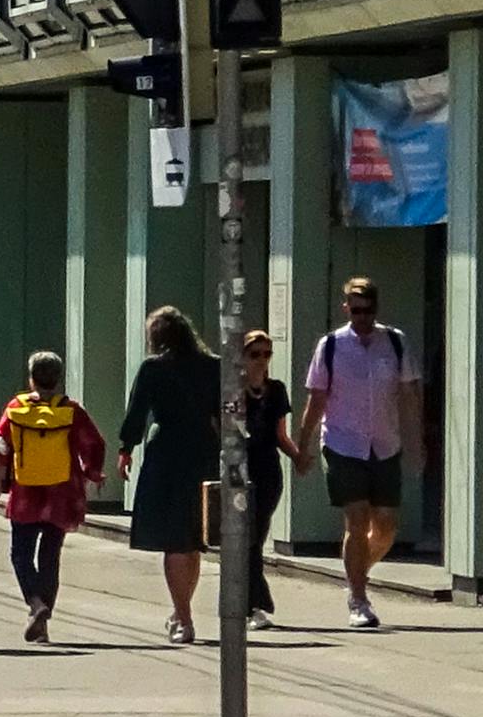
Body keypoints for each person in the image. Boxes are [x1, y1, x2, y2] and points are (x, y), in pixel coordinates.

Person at [292, 273, 421, 630]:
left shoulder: (394, 343)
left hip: (385, 444)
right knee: (357, 519)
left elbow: (410, 395)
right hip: (343, 444)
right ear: (346, 308)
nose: (361, 318)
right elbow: (316, 399)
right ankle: (358, 598)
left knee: (386, 528)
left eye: (368, 311)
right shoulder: (331, 346)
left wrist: (418, 442)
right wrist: (302, 446)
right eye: (356, 311)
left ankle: (356, 572)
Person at [115, 307, 224, 644]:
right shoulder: (213, 366)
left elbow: (137, 411)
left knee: (175, 538)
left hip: (166, 453)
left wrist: (126, 448)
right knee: (191, 539)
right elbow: (225, 411)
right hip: (203, 450)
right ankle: (181, 611)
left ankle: (184, 618)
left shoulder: (154, 367)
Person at [0, 351, 108, 646]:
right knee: (49, 556)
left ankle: (35, 605)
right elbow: (94, 443)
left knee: (20, 554)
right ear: (58, 378)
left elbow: (1, 445)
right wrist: (92, 472)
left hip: (26, 492)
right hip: (62, 492)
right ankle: (42, 622)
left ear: (31, 378)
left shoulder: (15, 407)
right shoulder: (71, 410)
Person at [233, 327, 301, 628]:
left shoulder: (277, 390)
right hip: (238, 470)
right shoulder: (232, 390)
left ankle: (254, 604)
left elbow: (280, 435)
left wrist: (299, 456)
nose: (261, 360)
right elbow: (219, 427)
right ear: (242, 357)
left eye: (266, 354)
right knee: (244, 540)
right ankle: (254, 604)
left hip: (267, 470)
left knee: (255, 538)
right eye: (254, 354)